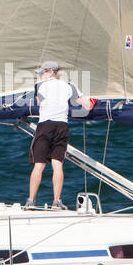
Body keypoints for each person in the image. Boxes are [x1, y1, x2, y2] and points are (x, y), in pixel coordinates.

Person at [26, 60, 95, 210]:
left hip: (45, 126)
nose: (40, 76)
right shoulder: (70, 85)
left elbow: (38, 102)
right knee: (57, 165)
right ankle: (56, 201)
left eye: (42, 73)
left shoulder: (39, 86)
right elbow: (88, 105)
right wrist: (94, 102)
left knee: (39, 165)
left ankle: (31, 201)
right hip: (62, 126)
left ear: (50, 72)